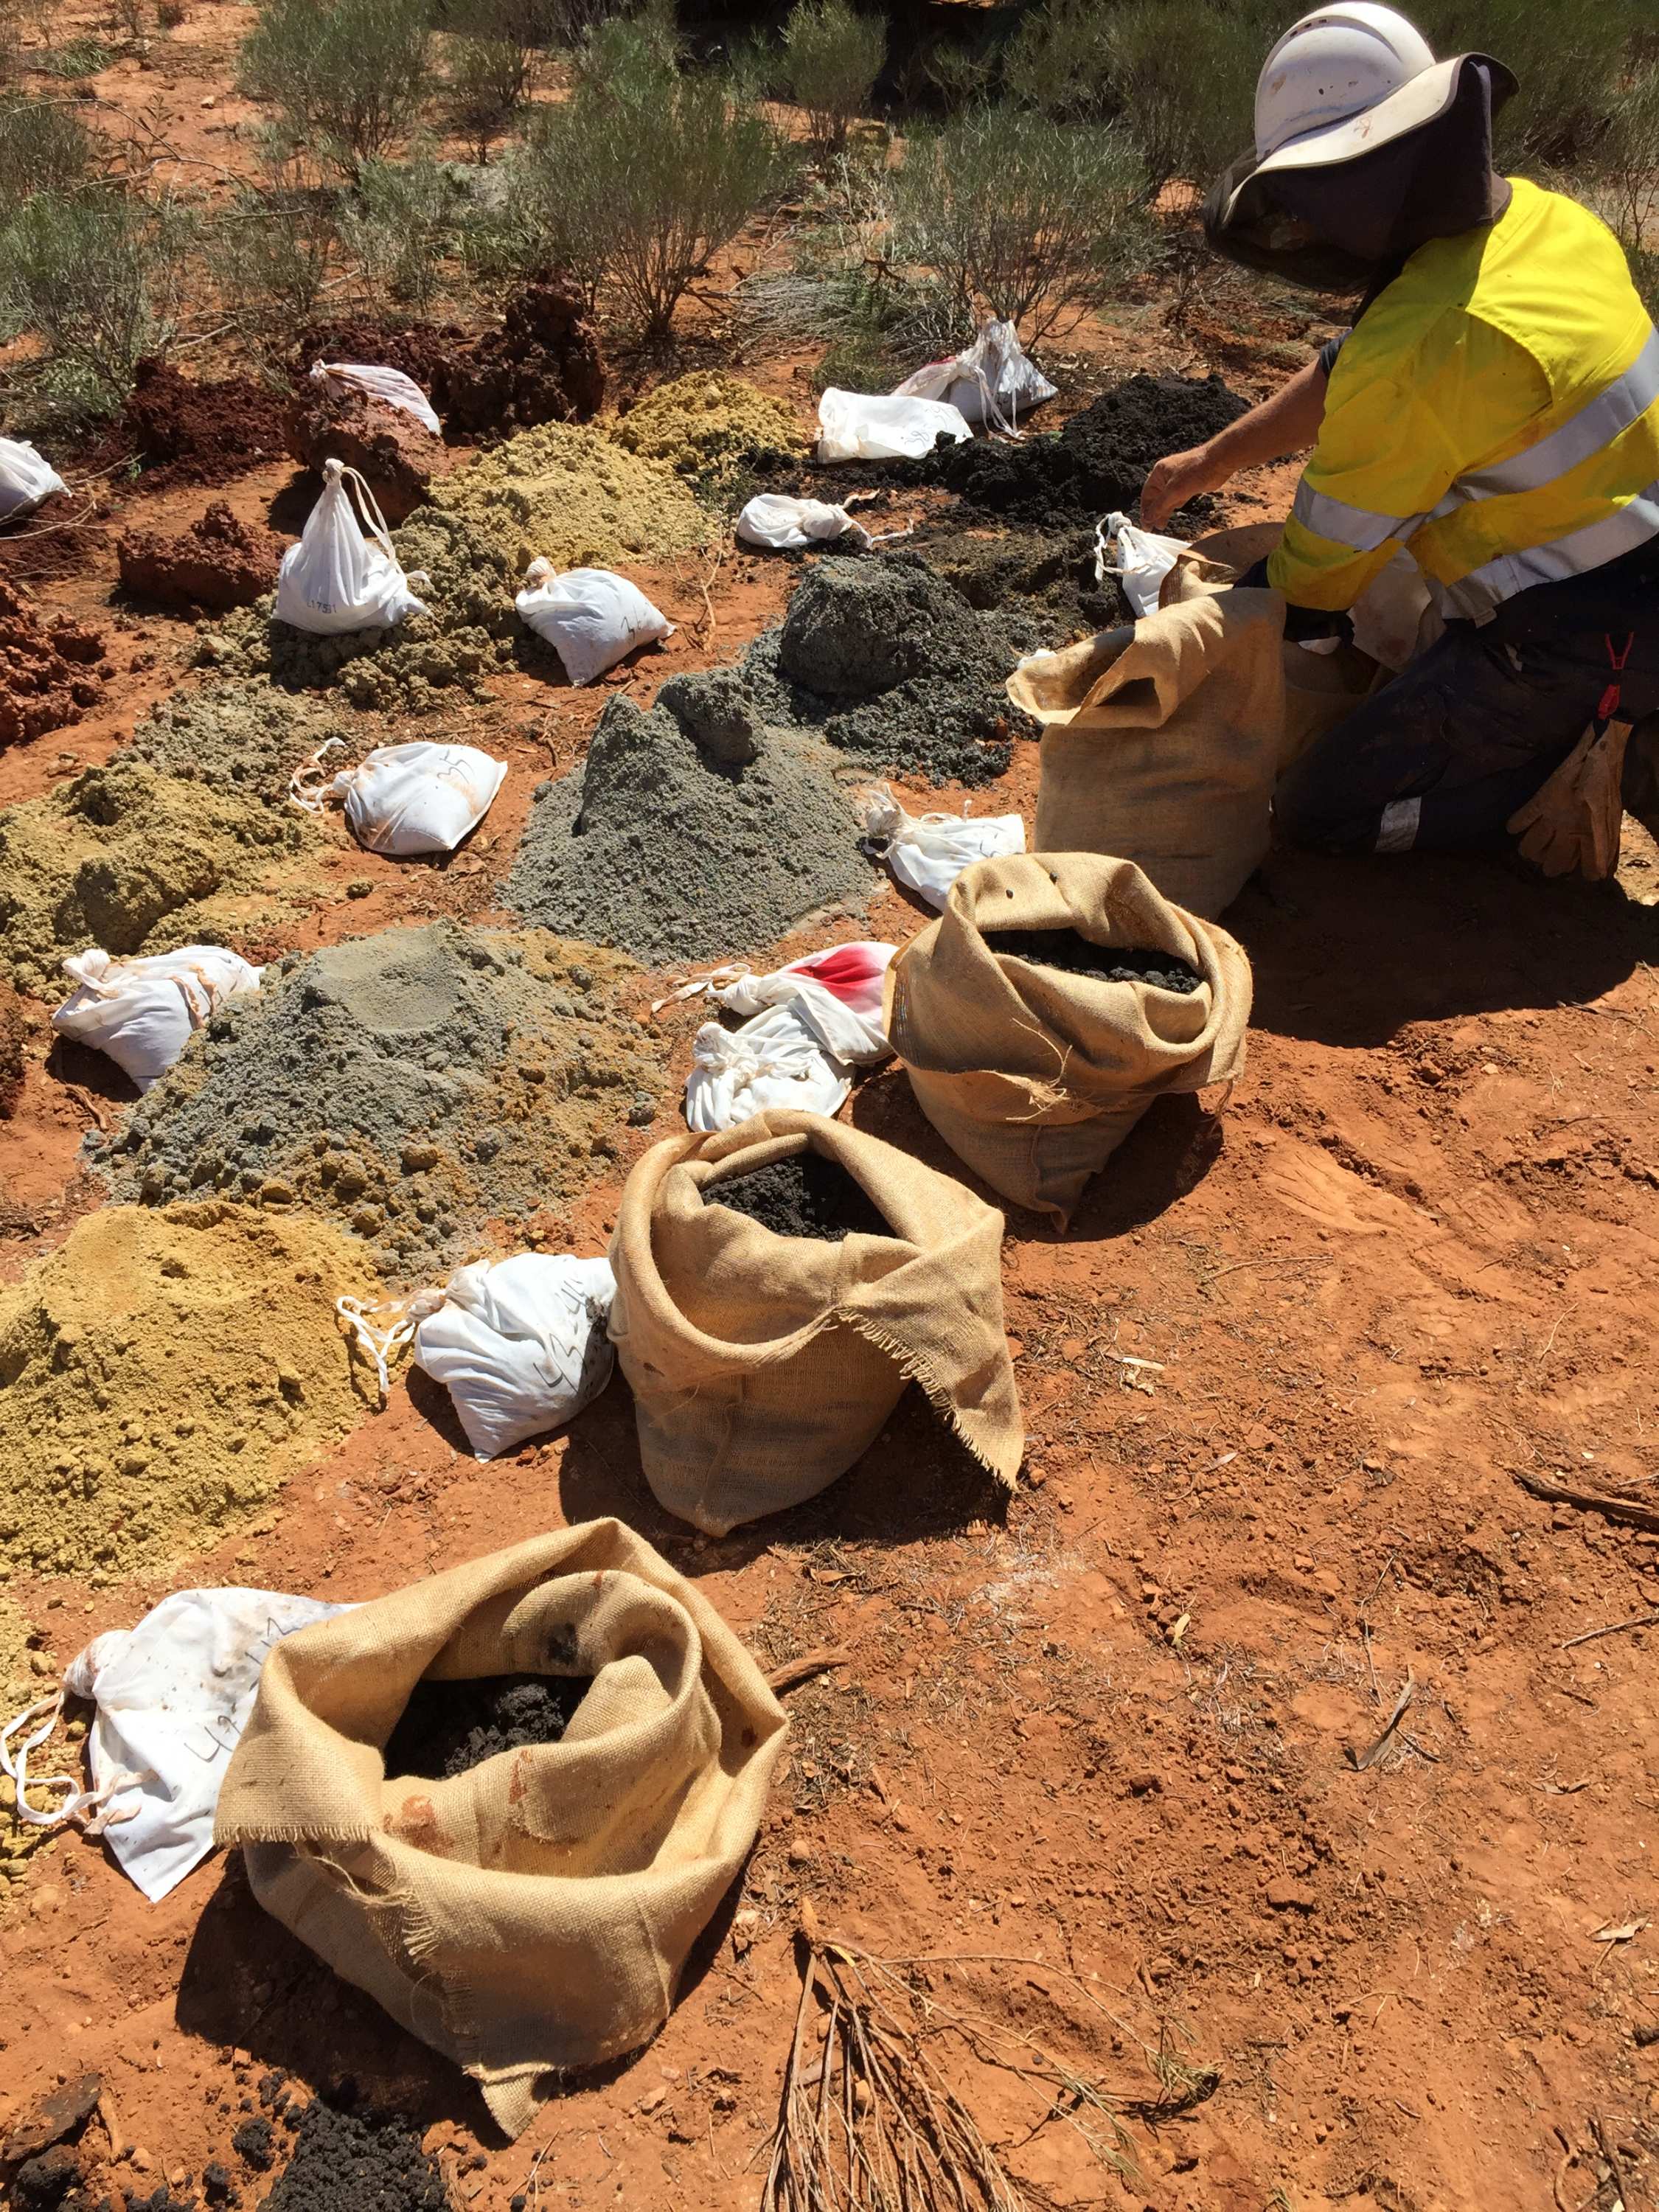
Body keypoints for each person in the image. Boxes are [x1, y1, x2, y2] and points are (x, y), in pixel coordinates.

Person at [1139, 2, 1659, 872]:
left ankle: (1561, 766)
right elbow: (1347, 367)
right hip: (1622, 573)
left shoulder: (1428, 341)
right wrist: (1211, 460)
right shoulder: (1543, 221)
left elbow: (1316, 585)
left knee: (1319, 810)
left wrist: (1245, 616)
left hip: (1581, 629)